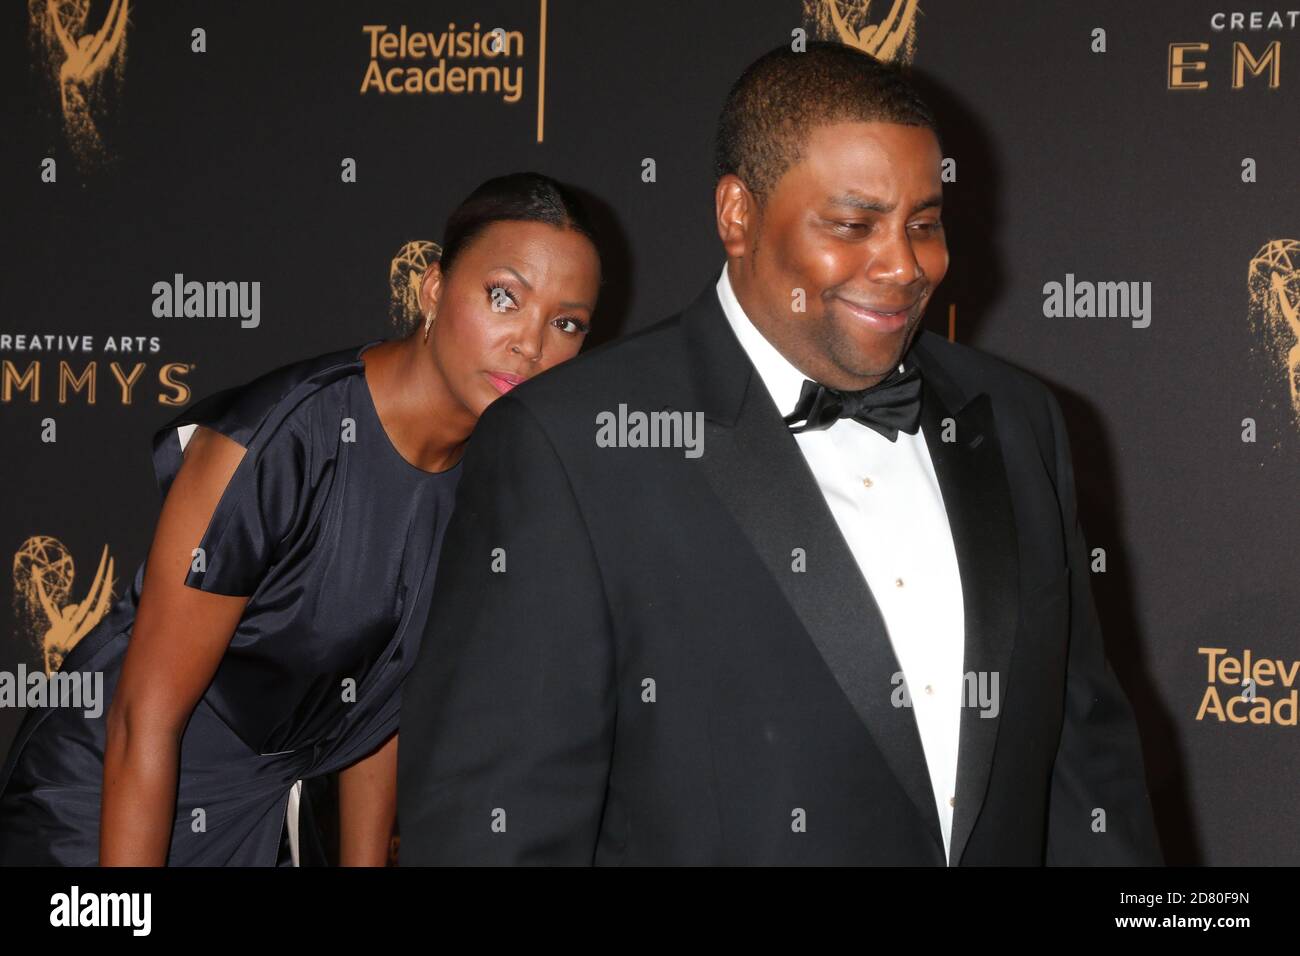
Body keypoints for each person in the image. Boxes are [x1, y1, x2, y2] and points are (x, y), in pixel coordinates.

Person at [396, 44, 1163, 865]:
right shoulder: (572, 444)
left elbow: (1088, 775)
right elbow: (493, 826)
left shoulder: (1016, 420)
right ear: (738, 215)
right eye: (854, 225)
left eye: (924, 225)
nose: (905, 266)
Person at [0, 171, 602, 866]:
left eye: (566, 323)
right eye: (504, 297)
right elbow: (143, 721)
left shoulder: (494, 480)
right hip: (104, 817)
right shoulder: (283, 442)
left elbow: (375, 705)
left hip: (263, 819)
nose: (531, 344)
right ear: (434, 290)